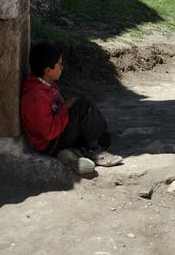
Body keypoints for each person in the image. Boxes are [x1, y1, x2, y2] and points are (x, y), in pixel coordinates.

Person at [21, 41, 122, 174]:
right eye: (59, 64)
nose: (62, 67)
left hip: (58, 136)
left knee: (103, 137)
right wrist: (65, 108)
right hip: (51, 144)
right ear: (48, 70)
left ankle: (74, 152)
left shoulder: (48, 86)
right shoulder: (35, 96)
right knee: (85, 106)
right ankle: (95, 152)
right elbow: (48, 132)